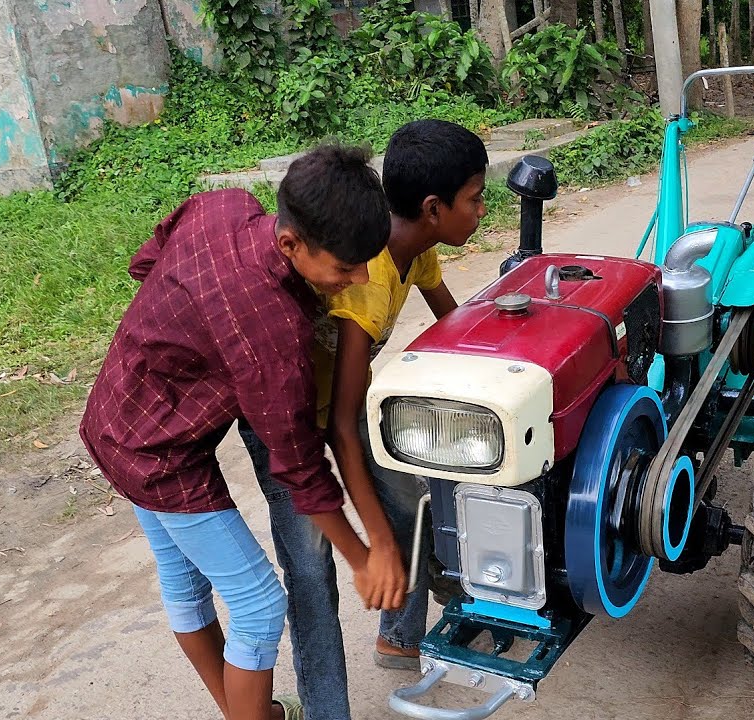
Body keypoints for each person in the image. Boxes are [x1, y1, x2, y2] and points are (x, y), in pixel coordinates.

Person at [80, 146, 405, 720]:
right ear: (290, 245)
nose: (354, 281)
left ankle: (248, 712)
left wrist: (191, 343)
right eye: (343, 269)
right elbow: (301, 470)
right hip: (161, 457)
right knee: (258, 604)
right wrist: (362, 559)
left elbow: (148, 258)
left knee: (183, 586)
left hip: (113, 416)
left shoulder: (222, 207)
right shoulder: (275, 334)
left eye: (364, 266)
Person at [238, 119, 489, 720]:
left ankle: (399, 635)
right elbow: (340, 426)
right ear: (434, 209)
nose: (483, 211)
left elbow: (454, 326)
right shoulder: (366, 286)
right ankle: (329, 711)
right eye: (476, 199)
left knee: (410, 501)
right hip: (289, 423)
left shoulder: (416, 250)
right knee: (312, 568)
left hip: (348, 408)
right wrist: (371, 545)